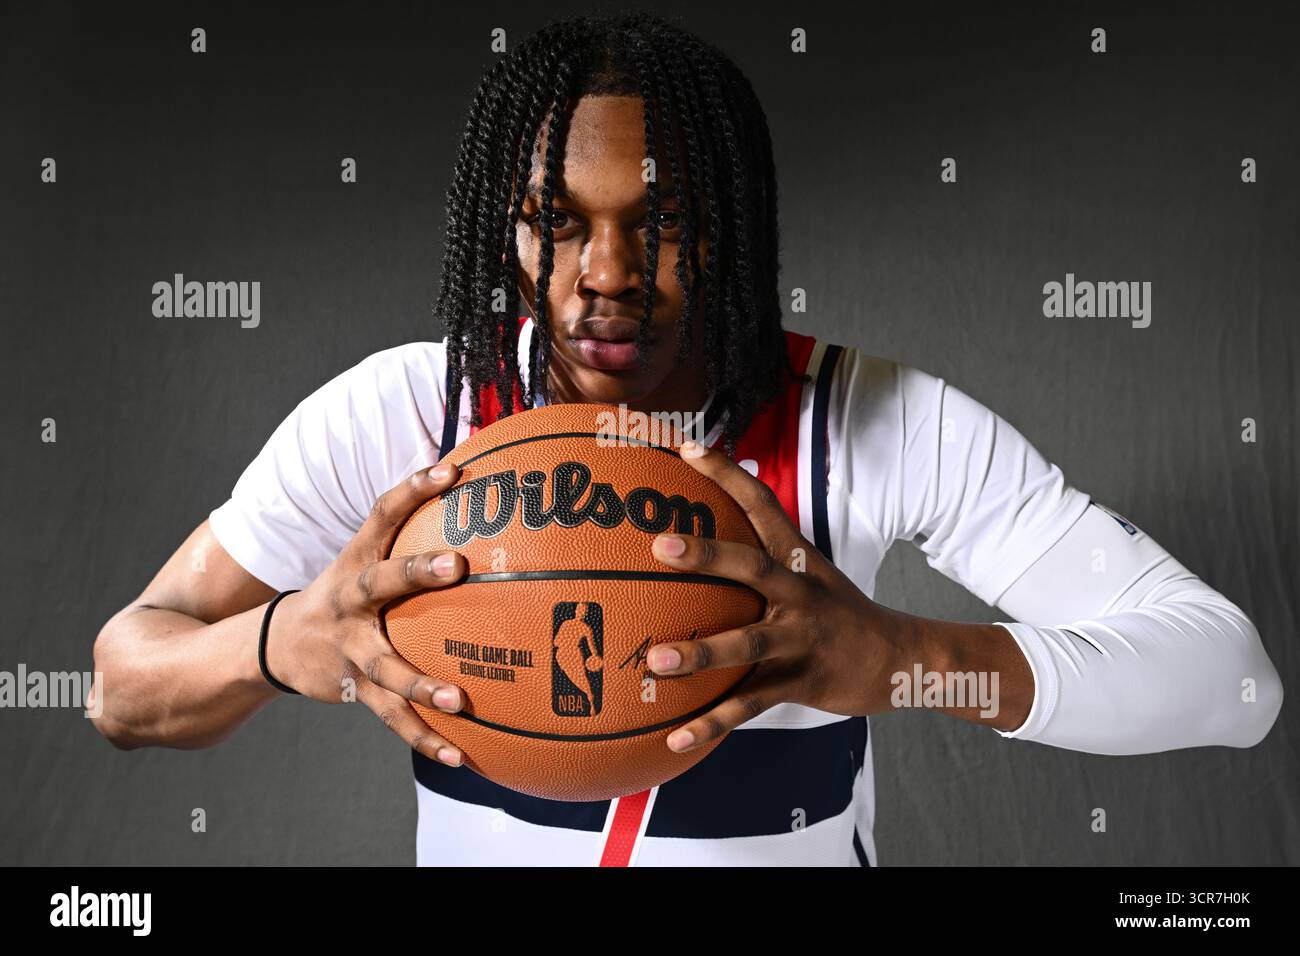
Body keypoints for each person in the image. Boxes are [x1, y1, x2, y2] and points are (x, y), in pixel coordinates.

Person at [90, 12, 1283, 866]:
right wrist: (277, 639)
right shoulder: (406, 417)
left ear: (732, 230)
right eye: (553, 223)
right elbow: (120, 681)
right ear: (496, 235)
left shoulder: (869, 424)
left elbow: (1230, 679)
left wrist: (899, 655)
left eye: (659, 224)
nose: (601, 277)